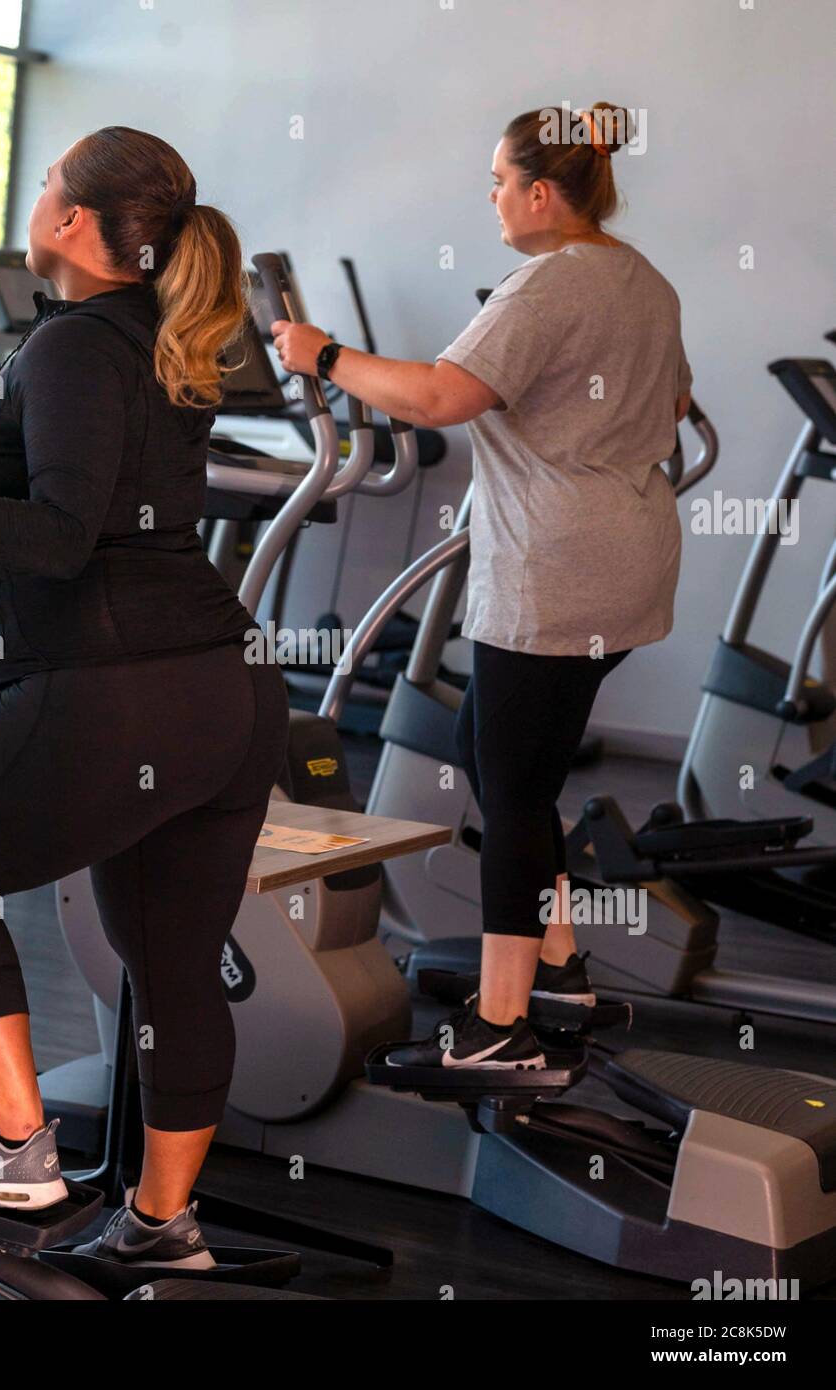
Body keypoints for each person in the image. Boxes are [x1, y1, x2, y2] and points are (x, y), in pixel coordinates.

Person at [0, 126, 289, 1269]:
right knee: (170, 963)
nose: (36, 199)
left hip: (109, 690)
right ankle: (162, 1229)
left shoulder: (81, 346)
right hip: (223, 698)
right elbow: (24, 409)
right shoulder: (139, 335)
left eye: (45, 185)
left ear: (74, 222)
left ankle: (18, 1150)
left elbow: (61, 533)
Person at [270, 103, 692, 1072]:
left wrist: (322, 356)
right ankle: (555, 967)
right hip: (626, 564)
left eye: (499, 179)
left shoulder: (545, 284)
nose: (493, 195)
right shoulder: (645, 280)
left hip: (554, 571)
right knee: (495, 753)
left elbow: (437, 398)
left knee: (509, 790)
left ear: (542, 193)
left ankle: (499, 1029)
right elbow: (670, 403)